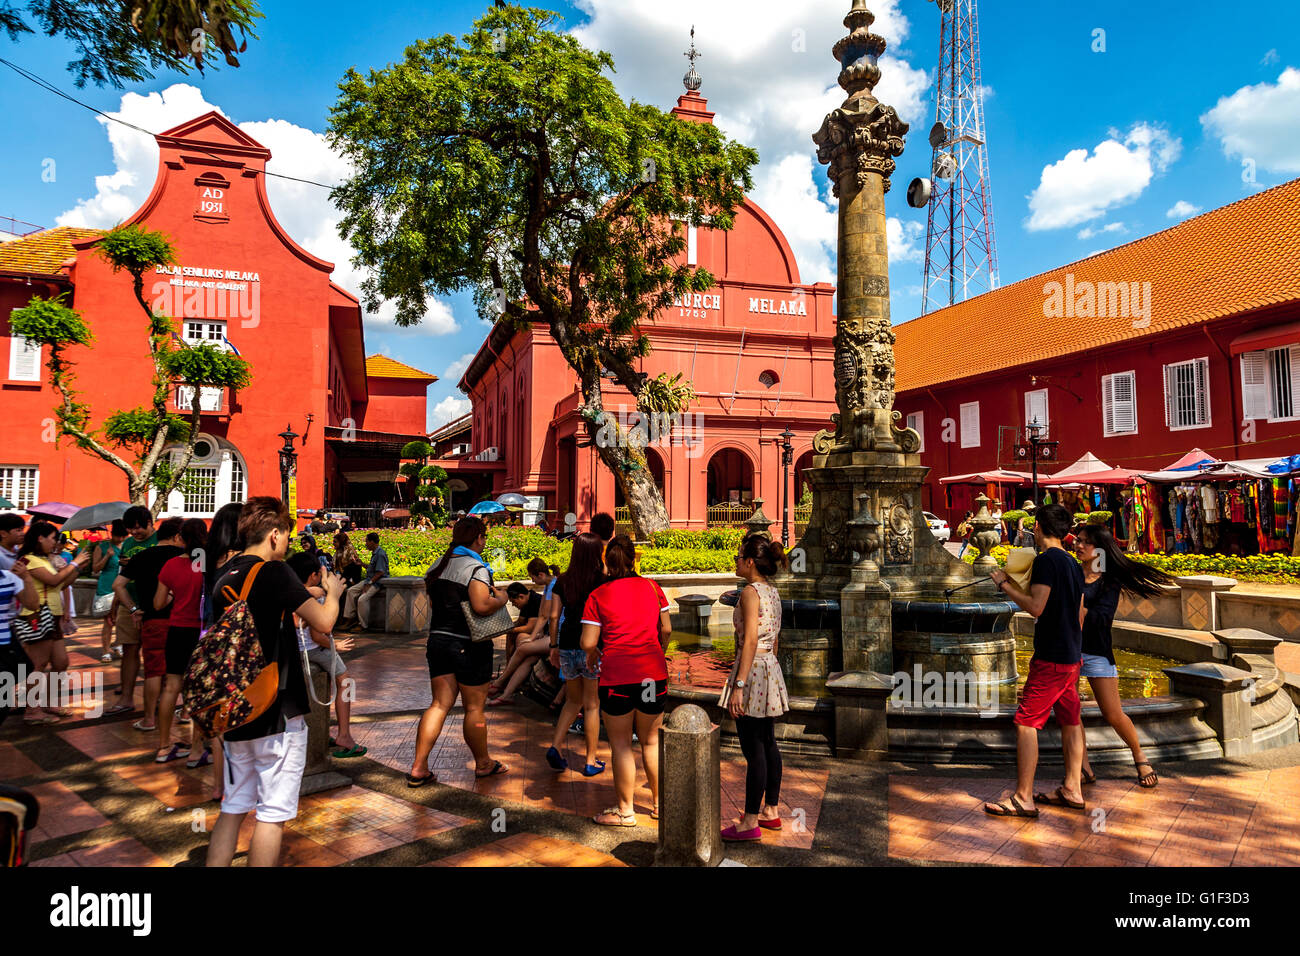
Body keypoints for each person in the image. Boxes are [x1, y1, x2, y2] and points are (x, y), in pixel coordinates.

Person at [206, 497, 343, 868]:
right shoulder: (274, 571)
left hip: (236, 708)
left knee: (233, 806)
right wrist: (334, 593)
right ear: (274, 535)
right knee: (272, 813)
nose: (287, 544)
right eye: (285, 536)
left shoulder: (224, 575)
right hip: (277, 708)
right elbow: (324, 623)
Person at [985, 503, 1086, 819]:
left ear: (1039, 527)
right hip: (1071, 655)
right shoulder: (1072, 562)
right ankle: (1072, 788)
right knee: (1070, 721)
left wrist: (1004, 584)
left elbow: (1036, 607)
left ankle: (1023, 798)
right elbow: (1081, 612)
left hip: (1052, 658)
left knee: (1026, 723)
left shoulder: (1046, 561)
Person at [408, 515, 509, 786]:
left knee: (439, 704)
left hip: (438, 640)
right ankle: (484, 763)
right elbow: (481, 606)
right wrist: (501, 598)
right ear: (477, 538)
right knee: (475, 708)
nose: (486, 541)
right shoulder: (474, 567)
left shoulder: (438, 565)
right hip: (468, 644)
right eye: (484, 536)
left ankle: (419, 767)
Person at [581, 535, 671, 826]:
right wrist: (658, 651)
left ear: (607, 564)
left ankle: (626, 811)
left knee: (621, 745)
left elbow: (587, 641)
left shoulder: (598, 595)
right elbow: (666, 630)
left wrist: (596, 652)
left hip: (617, 678)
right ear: (635, 559)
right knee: (651, 741)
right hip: (652, 676)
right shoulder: (652, 587)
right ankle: (659, 805)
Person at [1074, 524, 1173, 790]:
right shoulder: (1071, 572)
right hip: (1068, 650)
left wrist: (1079, 609)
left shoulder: (1109, 579)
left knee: (1113, 713)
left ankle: (1139, 756)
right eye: (1078, 540)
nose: (1079, 545)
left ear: (1100, 549)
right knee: (1072, 714)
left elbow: (1103, 617)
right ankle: (1082, 768)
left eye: (1086, 542)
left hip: (1096, 652)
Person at [720, 533, 791, 841]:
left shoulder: (750, 592)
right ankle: (771, 811)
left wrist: (739, 685)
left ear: (750, 562)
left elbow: (749, 640)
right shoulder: (772, 591)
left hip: (751, 670)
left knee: (754, 748)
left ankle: (750, 821)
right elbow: (773, 640)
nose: (735, 562)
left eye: (738, 557)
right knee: (769, 742)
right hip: (768, 668)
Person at [286, 552, 365, 758]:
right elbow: (317, 632)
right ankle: (345, 734)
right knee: (346, 682)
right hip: (315, 649)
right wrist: (335, 645)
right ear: (313, 575)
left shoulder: (293, 591)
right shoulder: (318, 596)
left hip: (295, 649)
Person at [13, 521, 92, 723]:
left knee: (60, 662)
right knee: (38, 664)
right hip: (38, 615)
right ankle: (32, 709)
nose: (55, 543)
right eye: (52, 538)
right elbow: (54, 580)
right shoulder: (29, 560)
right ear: (40, 538)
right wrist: (75, 563)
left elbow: (62, 583)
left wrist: (76, 569)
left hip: (52, 615)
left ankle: (48, 701)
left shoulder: (44, 559)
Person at [116, 518, 185, 734]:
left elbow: (118, 585)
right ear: (177, 536)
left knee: (154, 671)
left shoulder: (140, 556)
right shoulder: (184, 558)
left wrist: (134, 609)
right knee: (180, 671)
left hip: (152, 620)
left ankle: (148, 719)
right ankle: (184, 713)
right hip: (181, 621)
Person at [545, 533, 607, 774]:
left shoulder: (562, 580)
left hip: (567, 644)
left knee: (572, 700)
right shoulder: (601, 581)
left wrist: (553, 646)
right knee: (592, 705)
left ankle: (555, 746)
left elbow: (553, 616)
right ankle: (590, 761)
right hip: (591, 645)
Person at [153, 519, 208, 764]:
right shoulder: (206, 565)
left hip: (176, 630)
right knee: (199, 691)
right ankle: (197, 748)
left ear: (180, 538)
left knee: (171, 688)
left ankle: (164, 747)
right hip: (201, 632)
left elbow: (157, 604)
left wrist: (176, 594)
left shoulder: (171, 566)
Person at [104, 506, 156, 716]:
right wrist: (116, 605)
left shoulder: (161, 540)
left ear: (150, 523)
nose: (135, 532)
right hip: (129, 603)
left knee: (154, 653)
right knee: (129, 651)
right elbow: (122, 575)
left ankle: (158, 699)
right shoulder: (128, 543)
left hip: (154, 605)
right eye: (131, 528)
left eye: (139, 528)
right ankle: (126, 698)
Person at [485, 560, 558, 706]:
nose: (532, 581)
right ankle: (506, 694)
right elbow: (543, 616)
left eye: (533, 577)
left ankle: (500, 682)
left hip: (557, 637)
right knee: (528, 658)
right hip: (549, 635)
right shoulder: (549, 586)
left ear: (541, 574)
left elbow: (546, 616)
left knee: (524, 648)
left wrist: (533, 637)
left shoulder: (554, 586)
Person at [0, 556, 41, 727]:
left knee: (25, 668)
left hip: (5, 641)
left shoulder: (8, 577)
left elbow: (32, 604)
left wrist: (26, 578)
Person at [92, 520, 127, 663]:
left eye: (123, 536)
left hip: (122, 586)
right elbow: (95, 568)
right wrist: (107, 556)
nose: (120, 539)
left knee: (121, 619)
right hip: (107, 586)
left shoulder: (127, 546)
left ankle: (118, 643)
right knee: (108, 621)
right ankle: (105, 650)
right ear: (112, 534)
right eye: (118, 536)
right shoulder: (102, 547)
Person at [339, 532, 388, 631]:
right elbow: (372, 568)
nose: (365, 544)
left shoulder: (380, 554)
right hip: (369, 579)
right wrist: (361, 564)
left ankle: (363, 625)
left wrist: (369, 584)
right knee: (351, 591)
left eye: (366, 541)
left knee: (362, 599)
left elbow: (380, 572)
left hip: (377, 582)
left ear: (372, 541)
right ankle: (350, 619)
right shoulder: (375, 553)